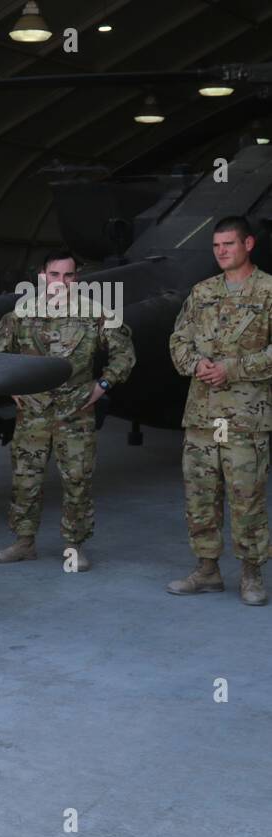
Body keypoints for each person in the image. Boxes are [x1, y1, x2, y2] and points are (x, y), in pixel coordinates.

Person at [0, 250, 136, 570]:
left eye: (68, 276)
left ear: (76, 278)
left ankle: (75, 546)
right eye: (55, 275)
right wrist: (11, 389)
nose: (61, 282)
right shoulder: (21, 314)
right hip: (34, 413)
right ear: (42, 276)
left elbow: (124, 355)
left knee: (78, 481)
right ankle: (24, 542)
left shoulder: (96, 313)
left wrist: (102, 386)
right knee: (26, 479)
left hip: (76, 412)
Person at [166, 215, 272, 606]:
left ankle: (251, 574)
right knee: (200, 494)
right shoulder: (202, 292)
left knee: (247, 496)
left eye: (229, 244)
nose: (222, 251)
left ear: (248, 245)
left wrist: (234, 368)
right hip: (201, 415)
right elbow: (178, 339)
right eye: (216, 246)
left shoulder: (269, 291)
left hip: (246, 416)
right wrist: (195, 364)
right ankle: (207, 570)